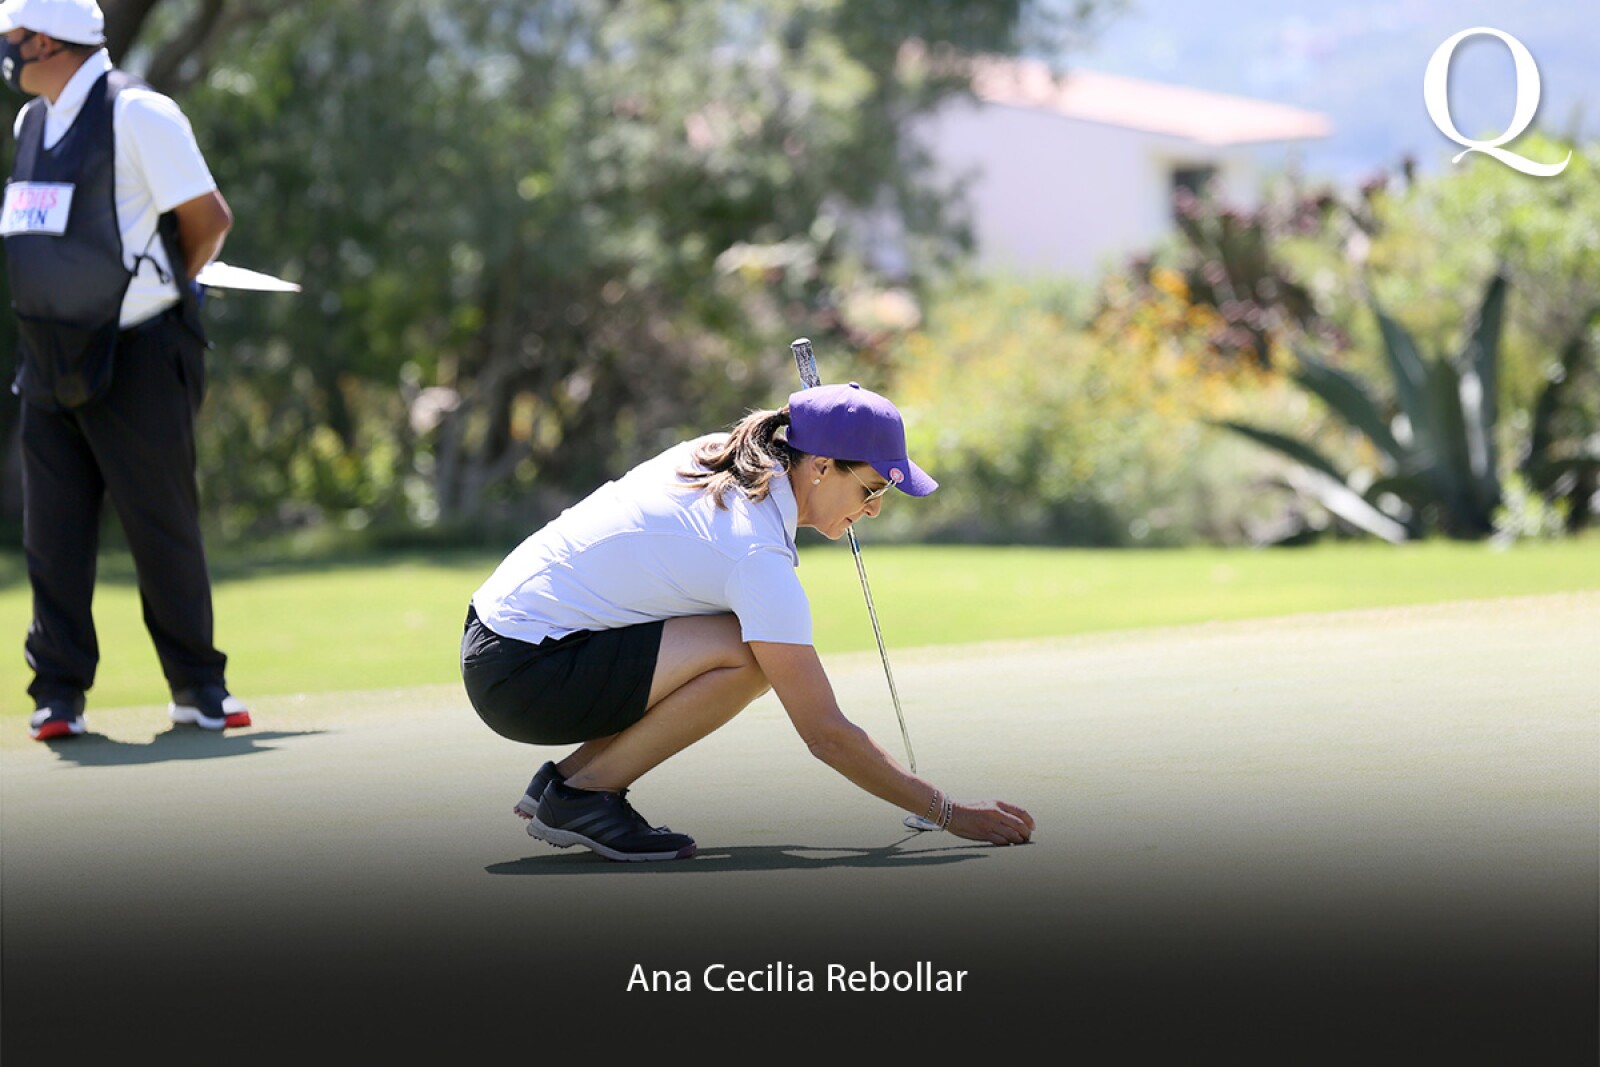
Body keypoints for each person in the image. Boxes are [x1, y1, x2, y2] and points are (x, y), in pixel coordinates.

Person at [462, 380, 1035, 861]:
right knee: (752, 654)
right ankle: (587, 794)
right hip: (525, 672)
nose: (875, 508)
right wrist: (948, 812)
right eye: (872, 487)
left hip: (511, 641)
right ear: (821, 467)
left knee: (746, 638)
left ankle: (569, 783)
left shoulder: (727, 455)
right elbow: (825, 734)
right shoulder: (755, 552)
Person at [1, 0, 250, 738]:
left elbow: (208, 220)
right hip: (47, 355)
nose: (4, 53)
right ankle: (58, 694)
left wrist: (170, 283)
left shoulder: (140, 112)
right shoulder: (32, 124)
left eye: (9, 40)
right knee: (54, 534)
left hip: (140, 348)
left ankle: (198, 686)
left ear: (43, 40)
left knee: (160, 522)